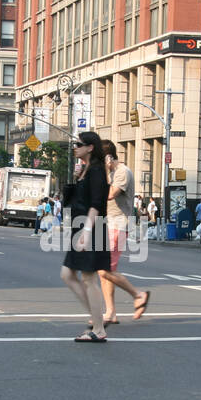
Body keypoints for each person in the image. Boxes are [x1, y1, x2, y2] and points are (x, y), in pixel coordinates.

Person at [62, 133, 111, 341]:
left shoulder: (98, 171)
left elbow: (97, 204)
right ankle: (96, 320)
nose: (75, 147)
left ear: (90, 147)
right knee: (68, 275)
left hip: (90, 227)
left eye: (79, 145)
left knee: (89, 278)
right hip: (80, 227)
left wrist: (87, 232)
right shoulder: (86, 169)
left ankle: (98, 328)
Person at [98, 141, 150, 324]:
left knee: (104, 270)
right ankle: (110, 312)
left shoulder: (122, 172)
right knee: (104, 271)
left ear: (107, 157)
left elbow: (110, 193)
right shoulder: (111, 172)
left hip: (118, 224)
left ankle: (138, 295)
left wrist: (104, 172)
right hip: (105, 223)